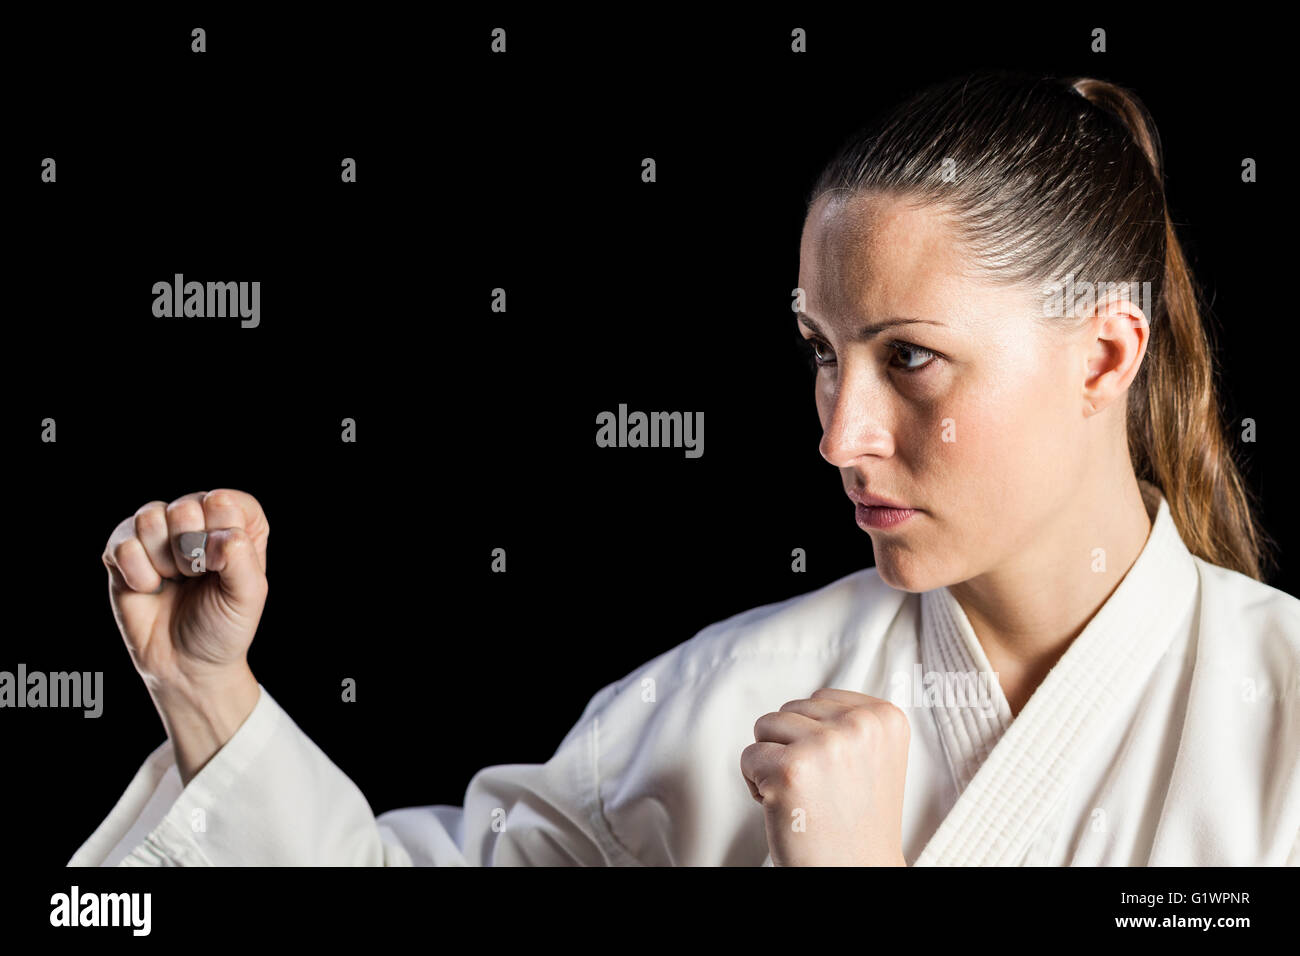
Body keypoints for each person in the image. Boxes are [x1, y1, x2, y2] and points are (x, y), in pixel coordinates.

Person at [71, 71, 1299, 867]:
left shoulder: (1280, 708)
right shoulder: (726, 701)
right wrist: (205, 691)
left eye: (912, 358)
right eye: (822, 353)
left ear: (1102, 353)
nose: (837, 433)